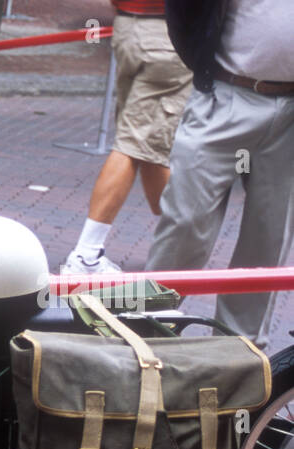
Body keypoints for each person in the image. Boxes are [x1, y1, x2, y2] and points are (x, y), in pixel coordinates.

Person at [145, 0, 294, 346]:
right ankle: (146, 327)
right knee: (185, 223)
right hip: (224, 95)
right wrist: (203, 67)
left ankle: (238, 348)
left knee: (269, 235)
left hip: (290, 114)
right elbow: (184, 13)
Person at [60, 1, 193, 275]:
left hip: (129, 28)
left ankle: (174, 239)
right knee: (134, 144)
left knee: (144, 142)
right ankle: (86, 254)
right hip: (167, 35)